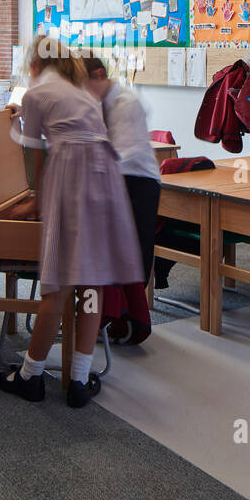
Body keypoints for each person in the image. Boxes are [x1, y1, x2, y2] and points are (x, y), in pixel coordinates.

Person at [0, 37, 142, 408]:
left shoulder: (36, 92)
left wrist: (35, 201)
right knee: (91, 282)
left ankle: (30, 375)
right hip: (103, 177)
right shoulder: (80, 93)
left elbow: (34, 156)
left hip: (72, 175)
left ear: (33, 64)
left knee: (56, 285)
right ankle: (78, 378)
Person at [83, 56, 159, 342]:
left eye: (85, 86)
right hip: (119, 181)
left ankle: (129, 321)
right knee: (118, 255)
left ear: (99, 75)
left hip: (138, 182)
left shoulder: (124, 103)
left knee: (133, 256)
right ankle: (116, 317)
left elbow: (125, 155)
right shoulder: (100, 101)